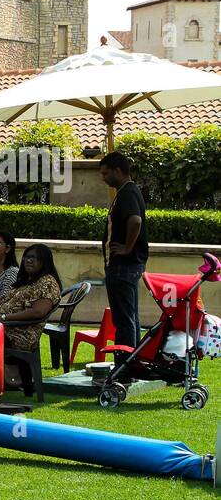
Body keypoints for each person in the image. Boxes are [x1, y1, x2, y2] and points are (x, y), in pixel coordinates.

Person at [0, 243, 63, 390]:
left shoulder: (47, 282)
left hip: (20, 333)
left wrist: (4, 318)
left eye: (34, 258)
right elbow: (8, 305)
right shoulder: (28, 280)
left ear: (44, 261)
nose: (28, 260)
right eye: (27, 257)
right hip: (6, 327)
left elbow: (38, 312)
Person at [100, 151, 149, 359]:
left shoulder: (128, 193)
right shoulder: (128, 191)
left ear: (117, 171)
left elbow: (135, 221)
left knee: (123, 319)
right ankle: (133, 359)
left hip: (123, 265)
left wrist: (127, 248)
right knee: (130, 317)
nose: (103, 178)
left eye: (105, 173)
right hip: (126, 265)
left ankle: (124, 364)